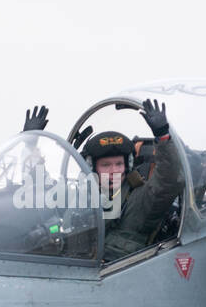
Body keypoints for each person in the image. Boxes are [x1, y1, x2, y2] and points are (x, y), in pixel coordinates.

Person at [21, 100, 181, 260]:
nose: (114, 171)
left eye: (119, 164)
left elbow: (169, 179)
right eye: (106, 165)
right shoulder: (81, 196)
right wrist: (30, 145)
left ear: (128, 165)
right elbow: (42, 188)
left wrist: (163, 137)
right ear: (91, 168)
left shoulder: (142, 198)